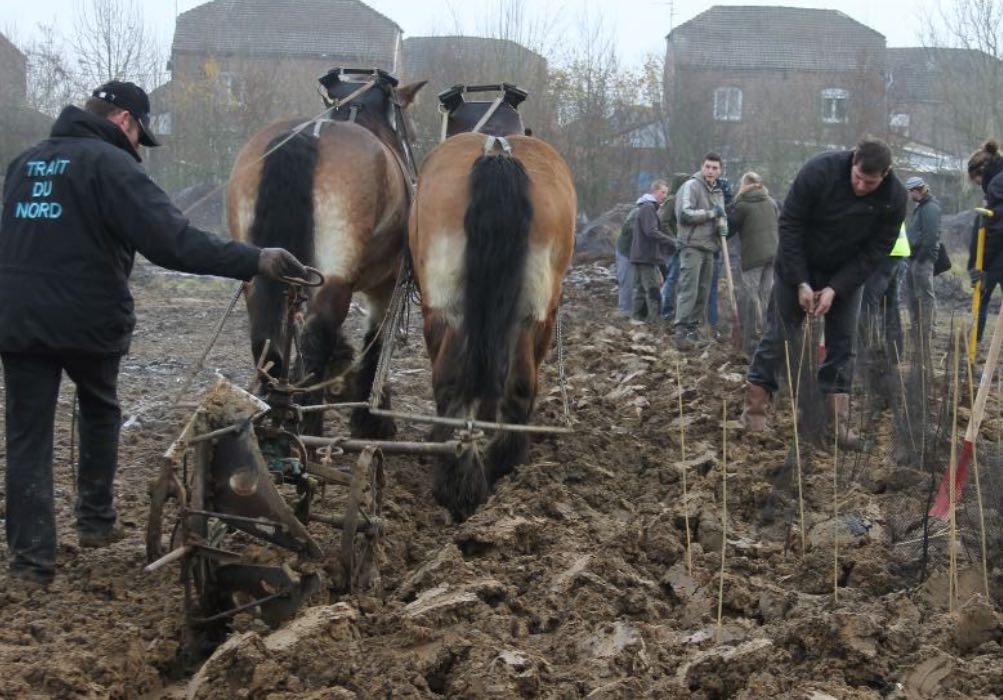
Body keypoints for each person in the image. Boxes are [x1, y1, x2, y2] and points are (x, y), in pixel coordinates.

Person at [0, 81, 308, 586]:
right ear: (125, 121)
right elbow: (173, 242)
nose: (138, 149)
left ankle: (30, 564)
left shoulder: (26, 162)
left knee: (27, 438)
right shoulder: (110, 164)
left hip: (16, 319)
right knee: (99, 407)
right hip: (86, 319)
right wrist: (255, 259)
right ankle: (95, 520)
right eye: (140, 137)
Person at [741, 137, 907, 447]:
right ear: (853, 159)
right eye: (857, 177)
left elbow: (877, 250)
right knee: (779, 336)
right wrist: (801, 281)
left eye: (869, 182)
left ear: (885, 174)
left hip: (845, 273)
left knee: (843, 344)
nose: (860, 186)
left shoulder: (894, 198)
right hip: (797, 262)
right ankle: (755, 413)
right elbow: (789, 224)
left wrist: (835, 288)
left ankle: (836, 424)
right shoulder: (819, 171)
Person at [673, 153, 726, 348]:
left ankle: (693, 329)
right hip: (692, 244)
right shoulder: (691, 186)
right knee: (690, 287)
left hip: (710, 246)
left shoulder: (718, 192)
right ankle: (681, 329)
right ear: (702, 167)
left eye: (715, 168)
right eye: (708, 167)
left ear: (720, 170)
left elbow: (721, 216)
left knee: (703, 290)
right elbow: (685, 214)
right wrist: (711, 214)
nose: (711, 171)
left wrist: (723, 224)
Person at [727, 172, 779, 355]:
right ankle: (768, 332)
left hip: (753, 256)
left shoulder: (742, 205)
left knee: (751, 295)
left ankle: (753, 336)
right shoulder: (771, 202)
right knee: (766, 294)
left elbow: (728, 229)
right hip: (773, 255)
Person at [965, 140, 1003, 344]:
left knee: (982, 297)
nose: (981, 187)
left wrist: (981, 266)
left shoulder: (997, 184)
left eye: (978, 182)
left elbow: (996, 229)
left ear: (982, 171)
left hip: (997, 259)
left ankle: (974, 341)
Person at [902, 176, 941, 358]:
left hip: (922, 259)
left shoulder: (930, 208)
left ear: (918, 190)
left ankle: (927, 329)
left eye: (911, 192)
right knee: (913, 293)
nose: (910, 195)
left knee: (925, 295)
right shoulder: (922, 207)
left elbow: (930, 236)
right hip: (914, 257)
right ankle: (917, 327)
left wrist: (920, 255)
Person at [629, 179, 676, 322]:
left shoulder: (645, 207)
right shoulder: (648, 208)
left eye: (666, 193)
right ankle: (655, 321)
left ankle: (637, 317)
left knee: (640, 288)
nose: (664, 196)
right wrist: (672, 241)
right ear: (654, 191)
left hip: (641, 255)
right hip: (645, 256)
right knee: (653, 289)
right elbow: (651, 232)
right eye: (663, 192)